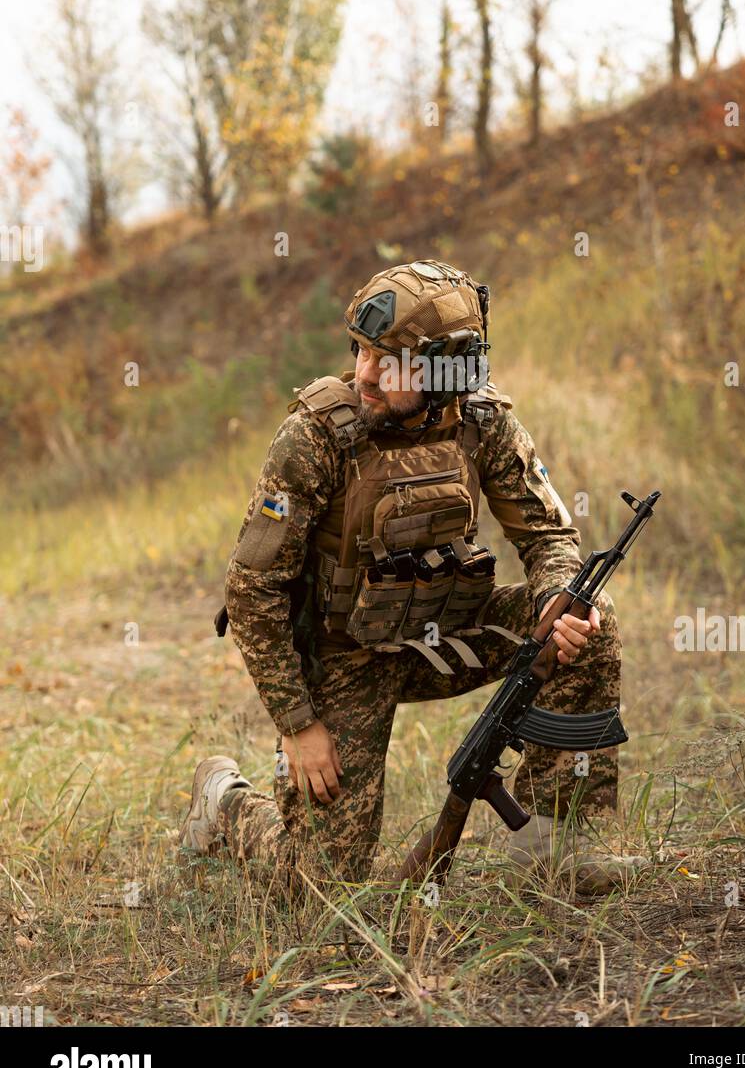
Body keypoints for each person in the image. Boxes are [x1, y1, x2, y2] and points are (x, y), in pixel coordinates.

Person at [180, 259, 647, 892]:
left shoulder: (483, 425)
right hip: (344, 657)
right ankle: (224, 802)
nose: (366, 373)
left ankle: (558, 847)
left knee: (587, 617)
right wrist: (298, 723)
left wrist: (558, 592)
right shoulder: (314, 439)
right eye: (362, 352)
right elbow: (252, 588)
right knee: (319, 890)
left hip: (444, 635)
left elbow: (547, 537)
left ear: (445, 369)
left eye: (389, 359)